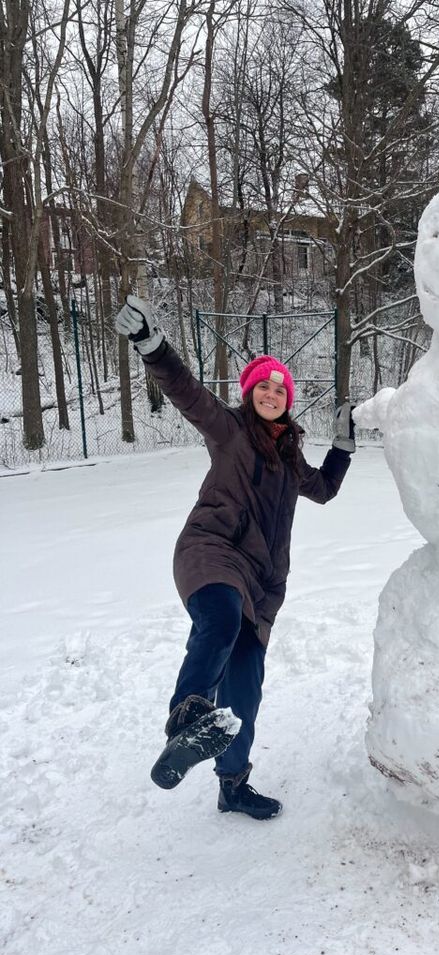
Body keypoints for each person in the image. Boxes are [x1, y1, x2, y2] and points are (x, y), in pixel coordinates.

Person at [115, 295, 355, 820]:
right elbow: (188, 394)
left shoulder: (291, 460)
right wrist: (153, 347)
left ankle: (234, 785)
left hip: (264, 585)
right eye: (263, 386)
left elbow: (326, 489)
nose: (271, 393)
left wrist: (342, 446)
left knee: (245, 689)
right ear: (250, 394)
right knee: (219, 621)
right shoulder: (230, 431)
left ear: (288, 401)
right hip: (211, 553)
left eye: (279, 388)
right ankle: (186, 715)